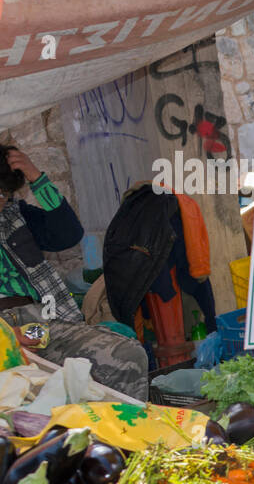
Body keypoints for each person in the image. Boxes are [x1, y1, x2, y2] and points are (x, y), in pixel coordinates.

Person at [0, 146, 149, 401]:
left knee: (126, 354)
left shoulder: (16, 215)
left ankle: (124, 436)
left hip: (39, 324)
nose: (0, 200)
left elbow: (67, 234)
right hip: (4, 329)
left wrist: (37, 178)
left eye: (2, 193)